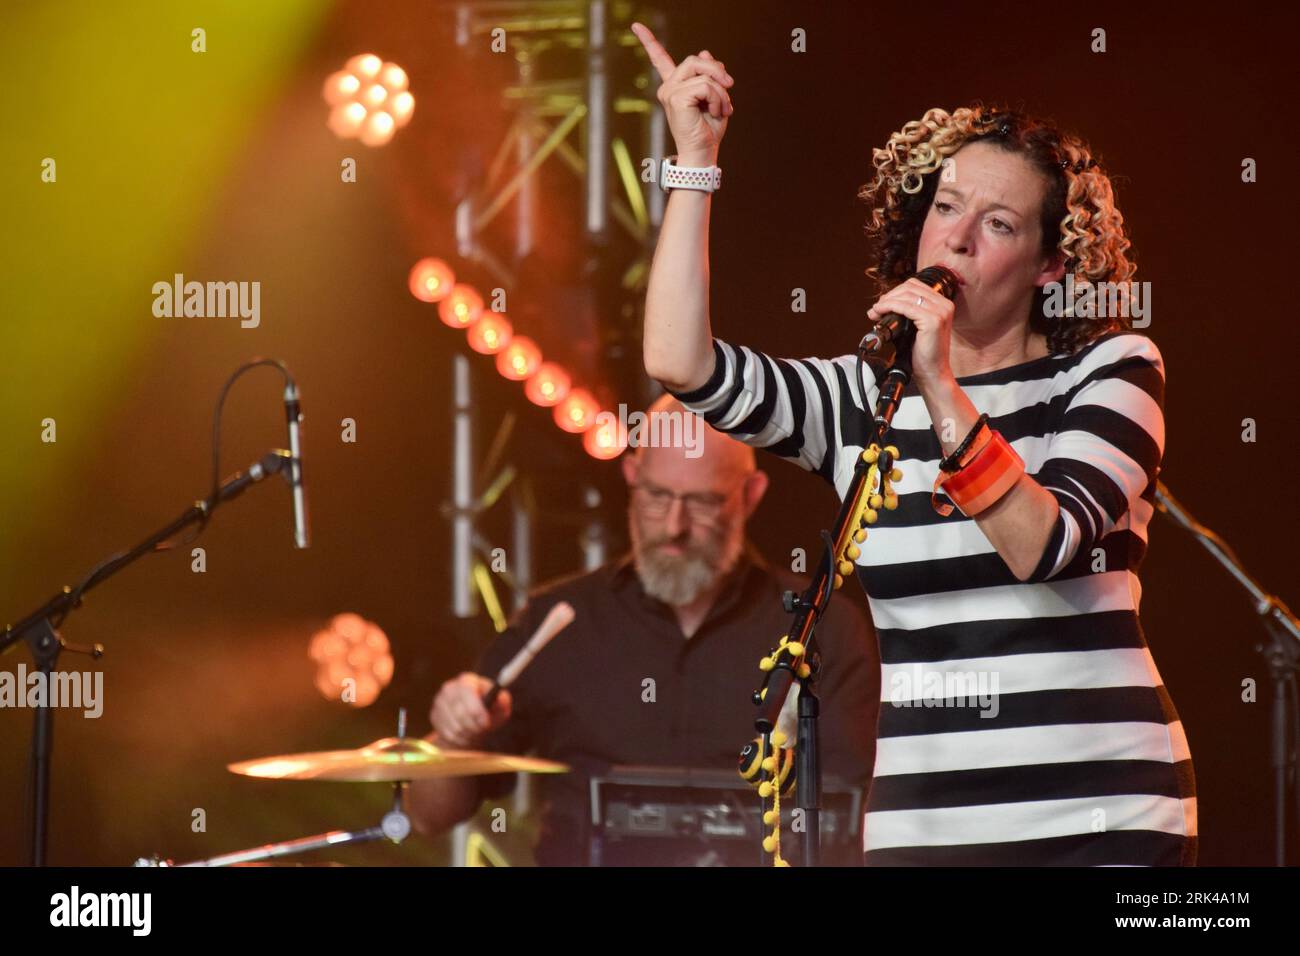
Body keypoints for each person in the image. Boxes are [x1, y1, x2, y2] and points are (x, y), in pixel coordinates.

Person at [632, 21, 1196, 866]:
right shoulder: (863, 397)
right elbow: (682, 363)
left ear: (1050, 264)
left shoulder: (1110, 370)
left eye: (1000, 224)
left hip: (1100, 816)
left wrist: (941, 385)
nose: (957, 239)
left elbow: (1042, 545)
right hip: (924, 825)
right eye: (945, 207)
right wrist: (694, 161)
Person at [409, 395, 878, 865]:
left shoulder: (822, 627)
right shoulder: (560, 620)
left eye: (702, 502)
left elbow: (859, 817)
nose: (674, 527)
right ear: (631, 478)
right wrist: (453, 738)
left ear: (751, 495)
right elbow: (427, 816)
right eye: (657, 495)